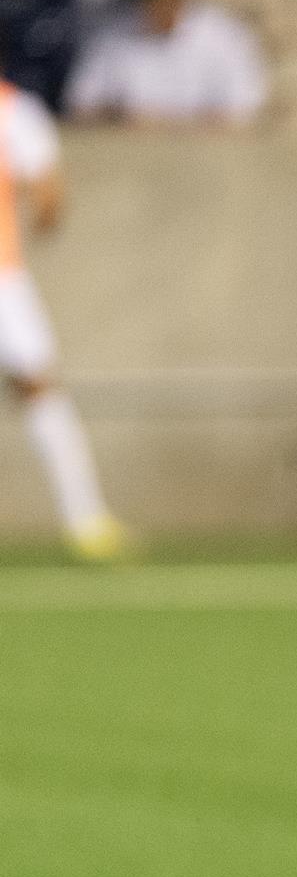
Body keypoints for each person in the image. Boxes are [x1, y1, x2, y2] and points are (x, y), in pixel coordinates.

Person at [0, 78, 126, 560]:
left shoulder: (16, 112)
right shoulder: (16, 111)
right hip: (4, 279)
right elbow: (49, 198)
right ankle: (87, 521)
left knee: (37, 387)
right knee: (39, 390)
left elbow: (47, 197)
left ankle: (87, 520)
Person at [65, 0, 267, 126]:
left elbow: (245, 112)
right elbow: (80, 106)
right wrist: (120, 117)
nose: (158, 5)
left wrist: (171, 123)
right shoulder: (112, 37)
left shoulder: (224, 36)